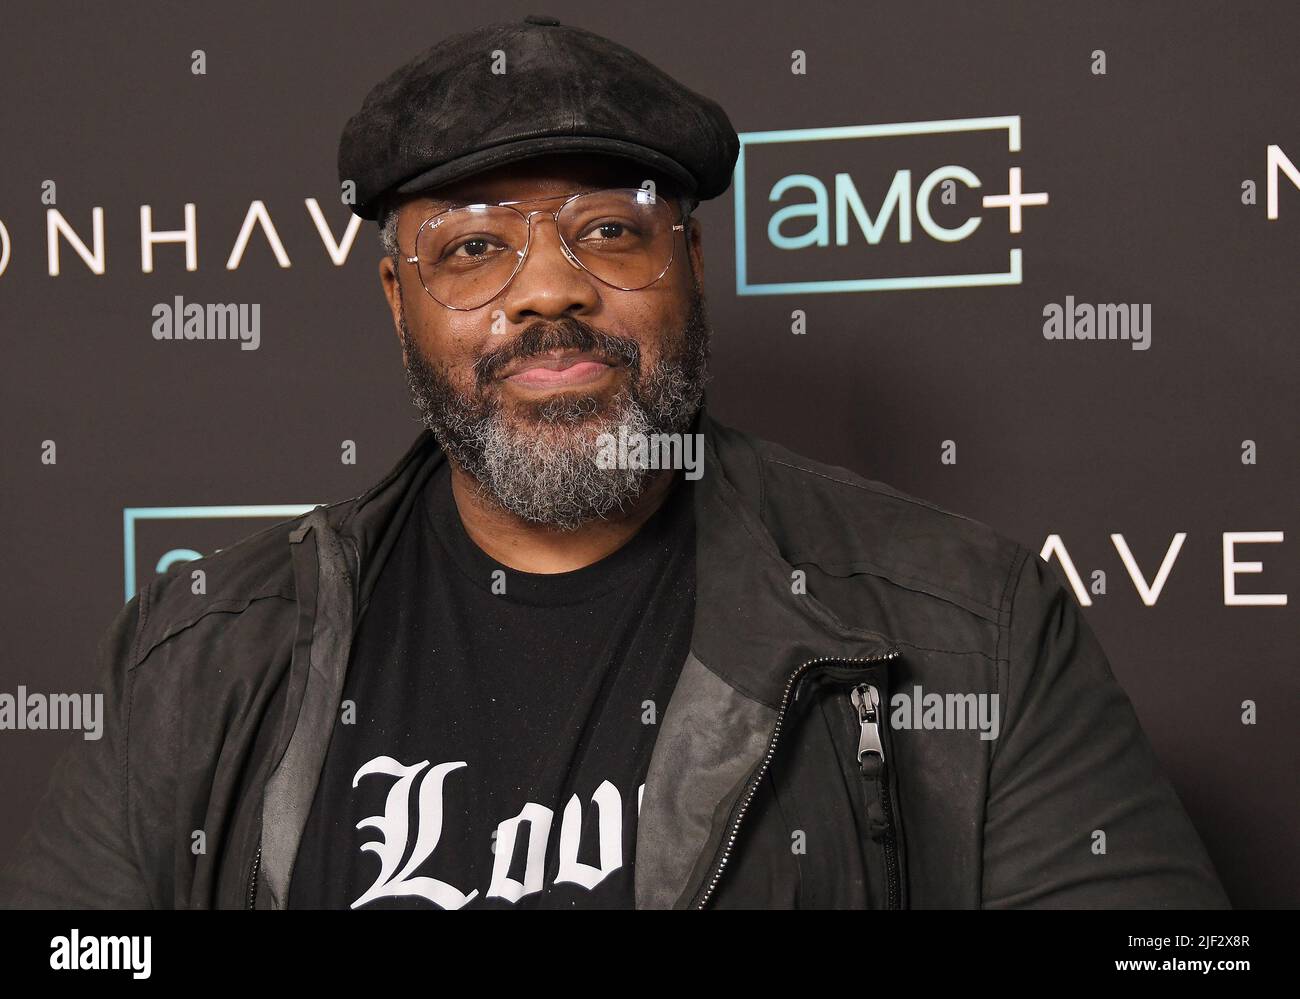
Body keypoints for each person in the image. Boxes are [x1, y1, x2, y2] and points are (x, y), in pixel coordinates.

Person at [0, 15, 1228, 909]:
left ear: (691, 266)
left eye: (608, 231)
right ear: (397, 300)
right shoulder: (202, 646)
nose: (548, 289)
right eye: (474, 248)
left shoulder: (970, 625)